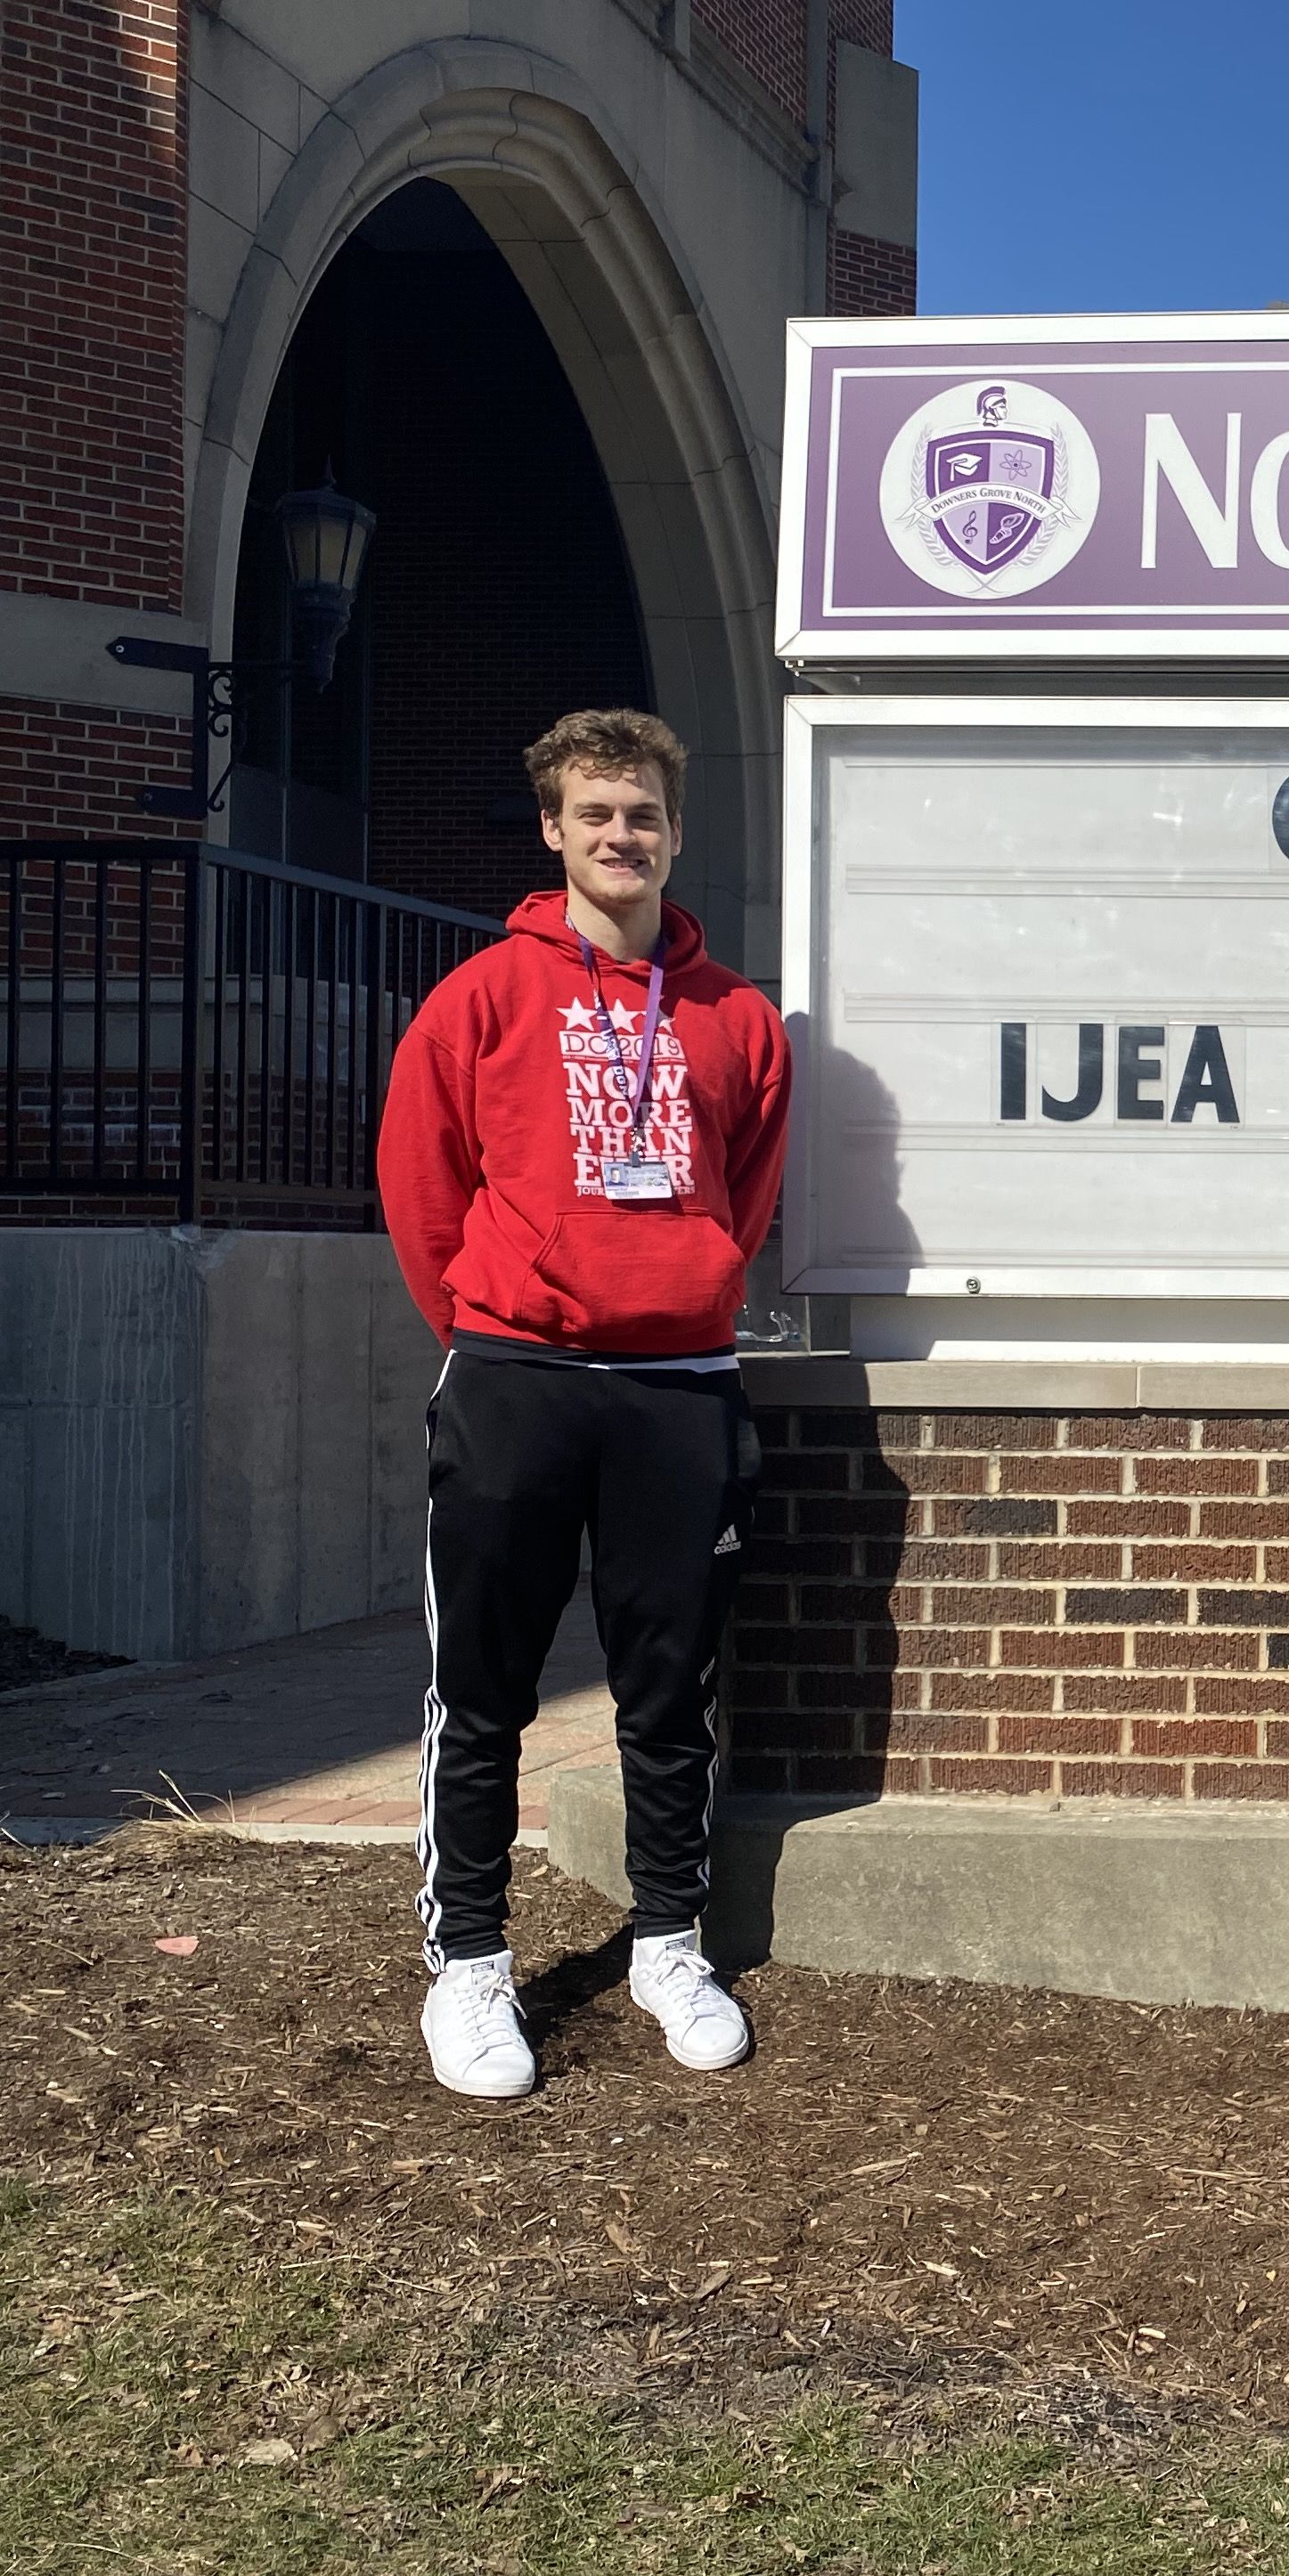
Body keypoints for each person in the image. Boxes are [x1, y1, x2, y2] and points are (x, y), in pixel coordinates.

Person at [378, 709, 793, 2099]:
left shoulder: (736, 1017)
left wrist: (695, 1284)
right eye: (597, 814)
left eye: (646, 816)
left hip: (678, 1387)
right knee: (482, 1685)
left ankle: (670, 1942)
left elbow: (752, 1186)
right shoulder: (484, 997)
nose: (624, 837)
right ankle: (472, 1965)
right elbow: (423, 1187)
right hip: (519, 1377)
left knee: (671, 1691)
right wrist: (497, 1324)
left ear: (678, 832)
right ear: (554, 828)